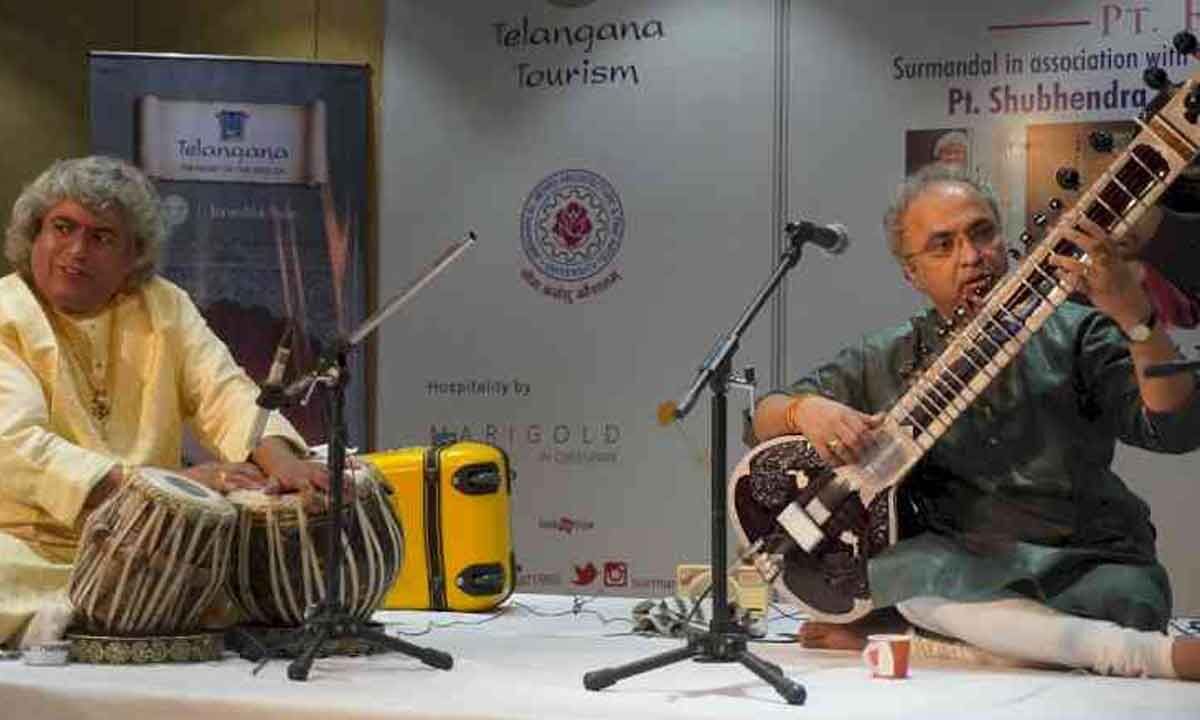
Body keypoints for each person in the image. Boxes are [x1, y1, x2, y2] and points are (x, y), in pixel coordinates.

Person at [752, 163, 1200, 679]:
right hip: (967, 567)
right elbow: (762, 418)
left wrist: (1137, 319)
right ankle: (1129, 654)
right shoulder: (887, 357)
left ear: (1005, 240)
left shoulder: (1077, 330)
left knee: (1129, 599)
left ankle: (943, 643)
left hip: (1089, 562)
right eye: (942, 245)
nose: (971, 256)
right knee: (903, 575)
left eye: (982, 233)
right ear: (912, 274)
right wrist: (804, 410)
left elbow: (1173, 429)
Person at [0, 156, 328, 648]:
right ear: (34, 234)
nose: (76, 251)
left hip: (150, 545)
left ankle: (90, 614)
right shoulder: (6, 312)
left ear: (133, 255)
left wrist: (281, 459)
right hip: (31, 545)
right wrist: (160, 486)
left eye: (101, 237)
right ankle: (87, 613)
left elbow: (225, 390)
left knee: (255, 551)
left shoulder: (162, 305)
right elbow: (15, 444)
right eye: (62, 228)